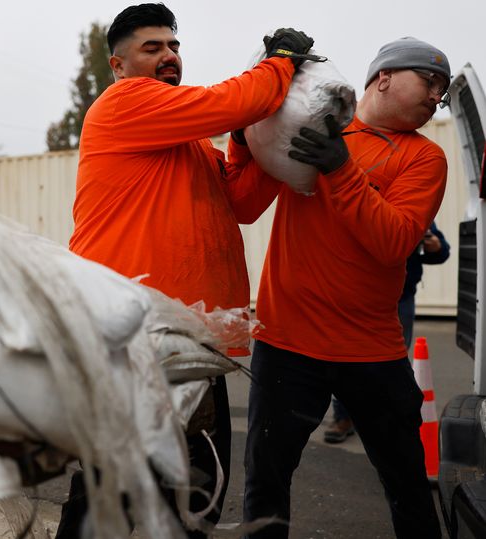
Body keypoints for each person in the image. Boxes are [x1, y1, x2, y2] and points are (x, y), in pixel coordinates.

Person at [60, 3, 315, 538]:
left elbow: (240, 203)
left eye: (173, 46)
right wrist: (282, 63)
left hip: (188, 339)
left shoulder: (191, 139)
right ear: (118, 64)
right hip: (133, 336)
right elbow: (232, 99)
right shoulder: (124, 103)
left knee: (193, 487)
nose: (169, 56)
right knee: (113, 490)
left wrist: (249, 145)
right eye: (152, 48)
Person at [243, 37, 451, 538]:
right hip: (287, 343)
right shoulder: (315, 123)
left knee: (407, 486)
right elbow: (244, 205)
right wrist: (246, 125)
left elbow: (394, 240)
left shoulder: (425, 159)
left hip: (371, 352)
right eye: (430, 82)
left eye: (442, 92)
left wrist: (340, 169)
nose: (435, 97)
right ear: (384, 77)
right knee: (265, 486)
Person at [324, 221, 451, 443]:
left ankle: (388, 425)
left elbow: (440, 251)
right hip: (354, 296)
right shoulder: (357, 200)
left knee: (391, 364)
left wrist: (436, 247)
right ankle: (344, 417)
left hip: (400, 299)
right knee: (345, 358)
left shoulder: (409, 205)